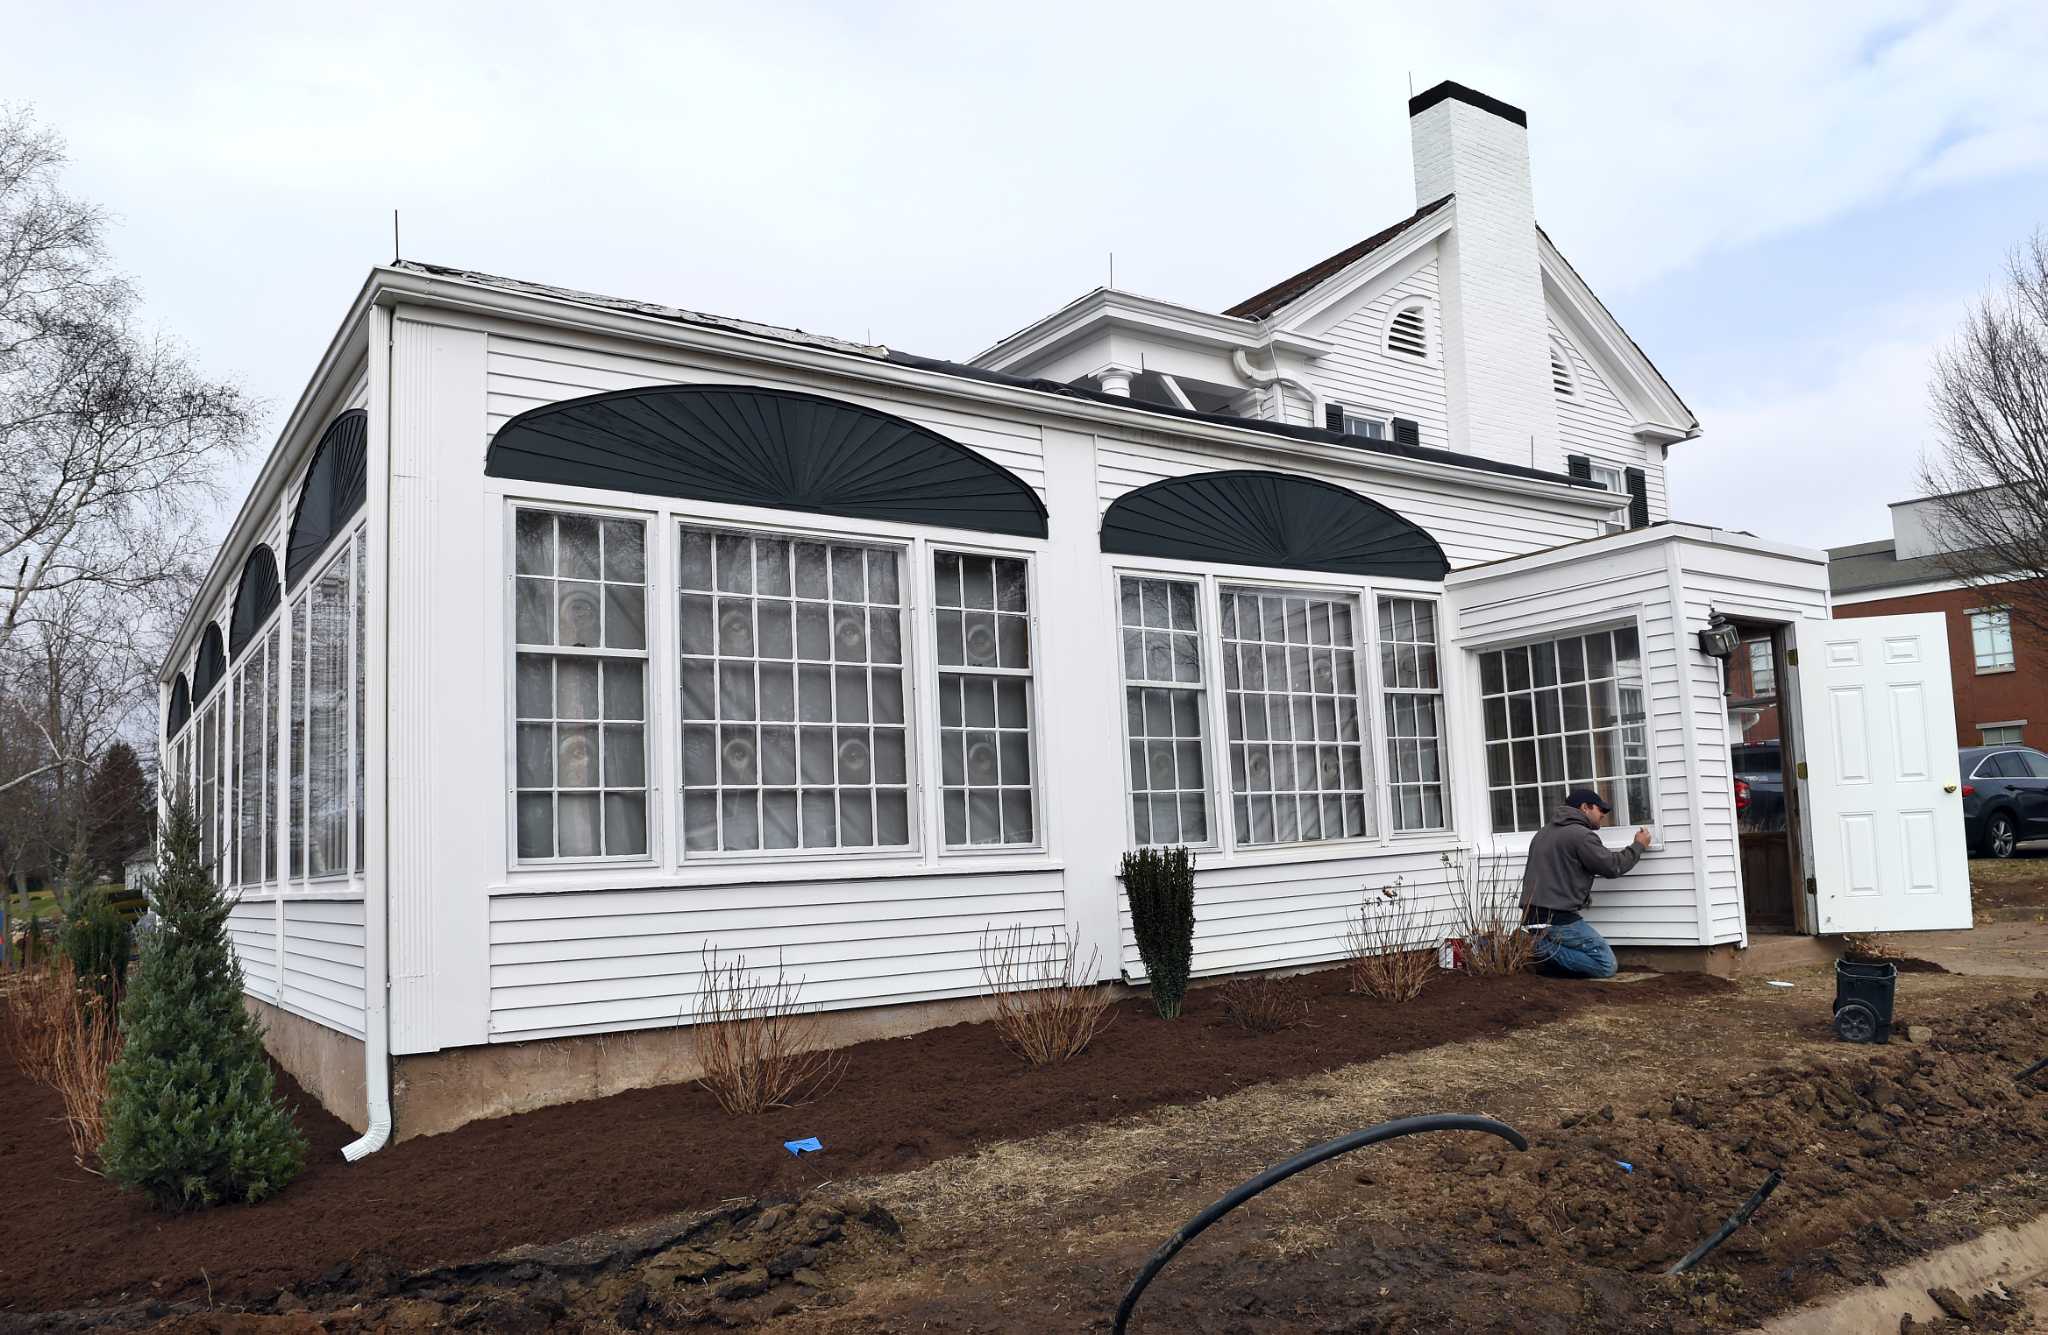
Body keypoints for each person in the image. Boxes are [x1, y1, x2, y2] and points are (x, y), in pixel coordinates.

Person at [1519, 787, 1652, 979]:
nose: (1603, 816)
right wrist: (1639, 845)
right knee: (1605, 964)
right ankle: (1535, 946)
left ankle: (1533, 945)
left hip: (1532, 917)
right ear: (1585, 807)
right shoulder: (1580, 835)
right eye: (1601, 810)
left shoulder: (1543, 833)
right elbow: (1612, 866)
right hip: (1557, 919)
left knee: (1570, 960)